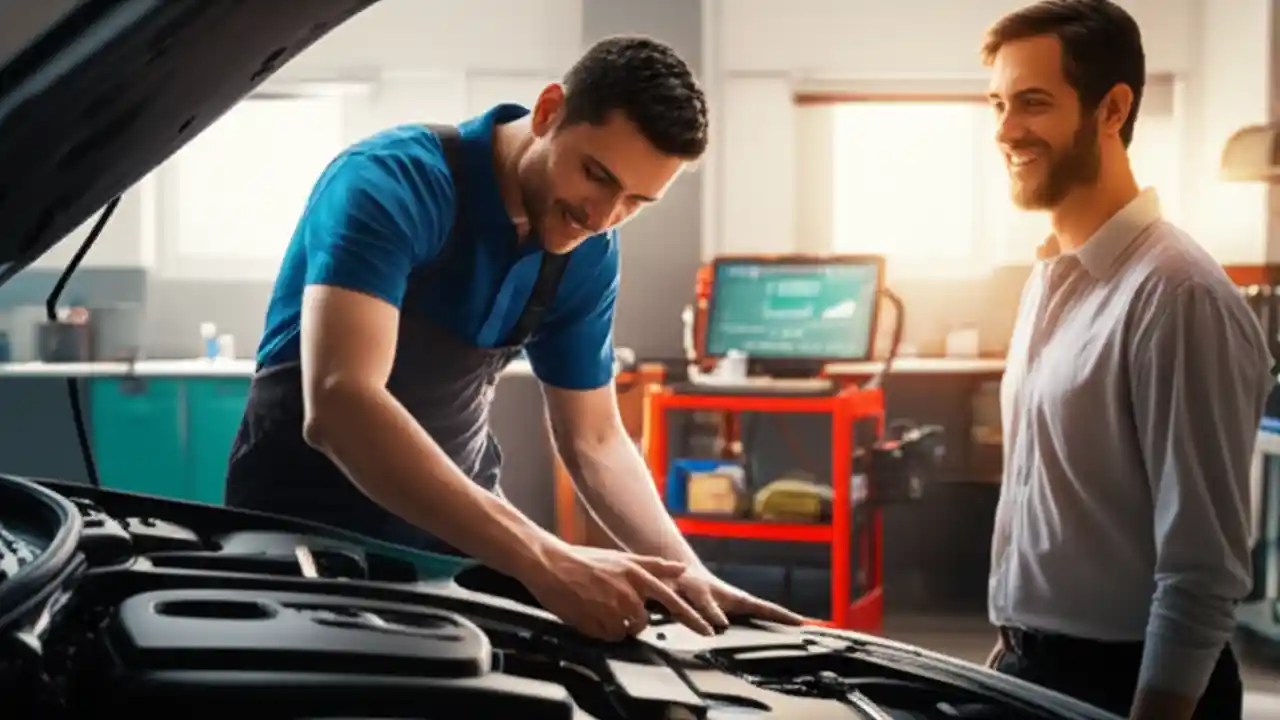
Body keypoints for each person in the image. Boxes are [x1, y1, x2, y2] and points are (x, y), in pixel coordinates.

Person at [225, 35, 803, 642]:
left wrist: (689, 574)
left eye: (636, 200)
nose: (602, 216)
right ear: (549, 111)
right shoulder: (392, 182)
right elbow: (342, 405)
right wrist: (546, 558)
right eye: (596, 175)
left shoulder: (589, 250)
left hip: (457, 540)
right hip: (301, 532)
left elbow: (596, 439)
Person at [979, 1, 1274, 718]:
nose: (1007, 129)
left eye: (1034, 103)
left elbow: (1201, 572)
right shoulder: (1049, 276)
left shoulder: (1178, 295)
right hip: (1031, 665)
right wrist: (1008, 651)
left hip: (1135, 685)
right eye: (999, 104)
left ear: (1112, 110)